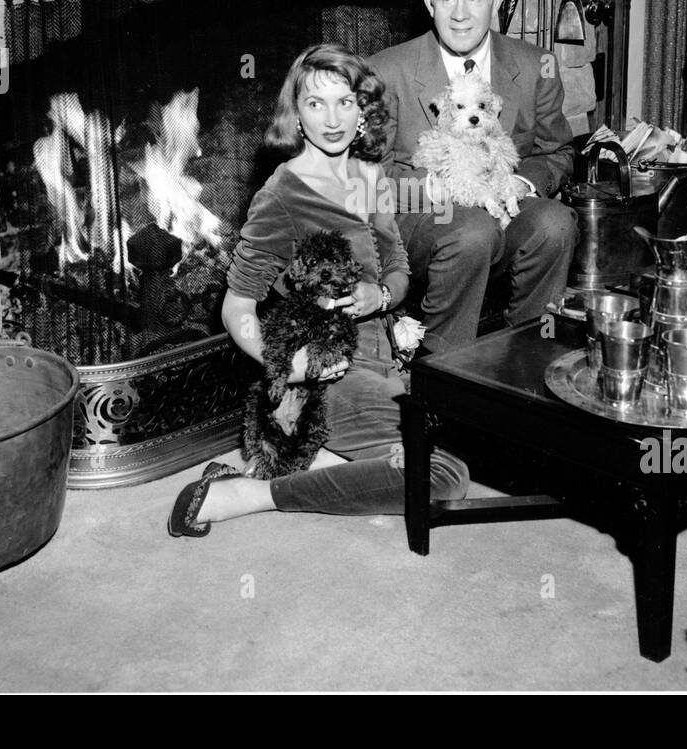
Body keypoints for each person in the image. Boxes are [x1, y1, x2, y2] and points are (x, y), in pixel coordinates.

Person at [167, 44, 469, 537]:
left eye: (345, 103)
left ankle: (312, 464)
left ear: (362, 112)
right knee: (444, 475)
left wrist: (383, 296)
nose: (332, 119)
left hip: (388, 362)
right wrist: (292, 366)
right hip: (332, 372)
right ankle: (252, 495)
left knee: (465, 441)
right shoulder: (282, 194)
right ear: (298, 116)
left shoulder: (371, 176)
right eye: (315, 103)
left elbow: (397, 265)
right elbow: (236, 307)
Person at [368, 0, 579, 355]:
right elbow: (365, 179)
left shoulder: (536, 65)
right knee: (472, 230)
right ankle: (442, 367)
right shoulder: (385, 70)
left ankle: (529, 353)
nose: (460, 14)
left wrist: (520, 182)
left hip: (502, 203)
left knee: (556, 223)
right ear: (429, 2)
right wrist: (432, 191)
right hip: (421, 218)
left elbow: (558, 152)